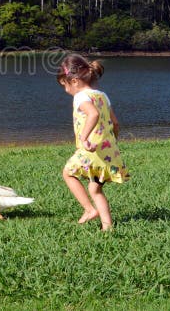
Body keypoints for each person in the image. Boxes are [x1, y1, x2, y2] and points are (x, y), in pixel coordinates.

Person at [58, 53, 129, 231]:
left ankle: (89, 209)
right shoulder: (103, 96)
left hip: (91, 149)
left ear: (74, 81)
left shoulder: (81, 96)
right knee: (95, 189)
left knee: (68, 173)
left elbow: (93, 114)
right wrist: (113, 143)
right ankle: (107, 227)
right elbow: (115, 123)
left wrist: (83, 137)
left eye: (65, 85)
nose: (65, 90)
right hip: (108, 151)